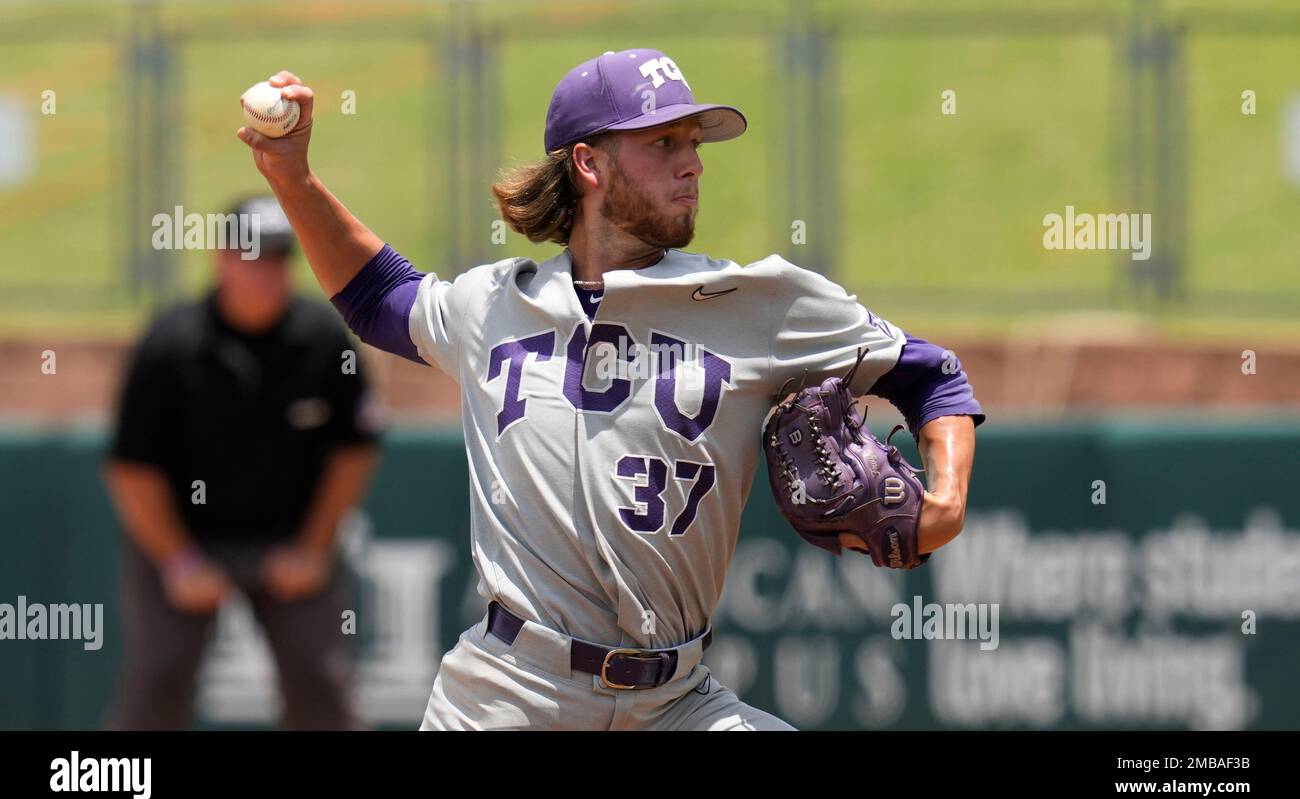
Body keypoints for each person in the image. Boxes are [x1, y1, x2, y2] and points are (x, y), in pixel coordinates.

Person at [236, 49, 982, 731]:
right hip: (507, 693)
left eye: (694, 142)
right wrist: (294, 180)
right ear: (589, 163)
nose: (692, 163)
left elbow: (931, 375)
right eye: (664, 143)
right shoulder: (496, 303)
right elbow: (377, 297)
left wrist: (945, 500)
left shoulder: (762, 303)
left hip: (678, 701)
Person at [103, 196, 382, 730]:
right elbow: (132, 468)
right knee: (155, 682)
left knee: (320, 684)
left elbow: (355, 449)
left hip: (289, 538)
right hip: (185, 538)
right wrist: (180, 560)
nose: (265, 271)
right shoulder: (171, 343)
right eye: (251, 255)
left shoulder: (322, 339)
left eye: (277, 257)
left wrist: (312, 547)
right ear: (221, 258)